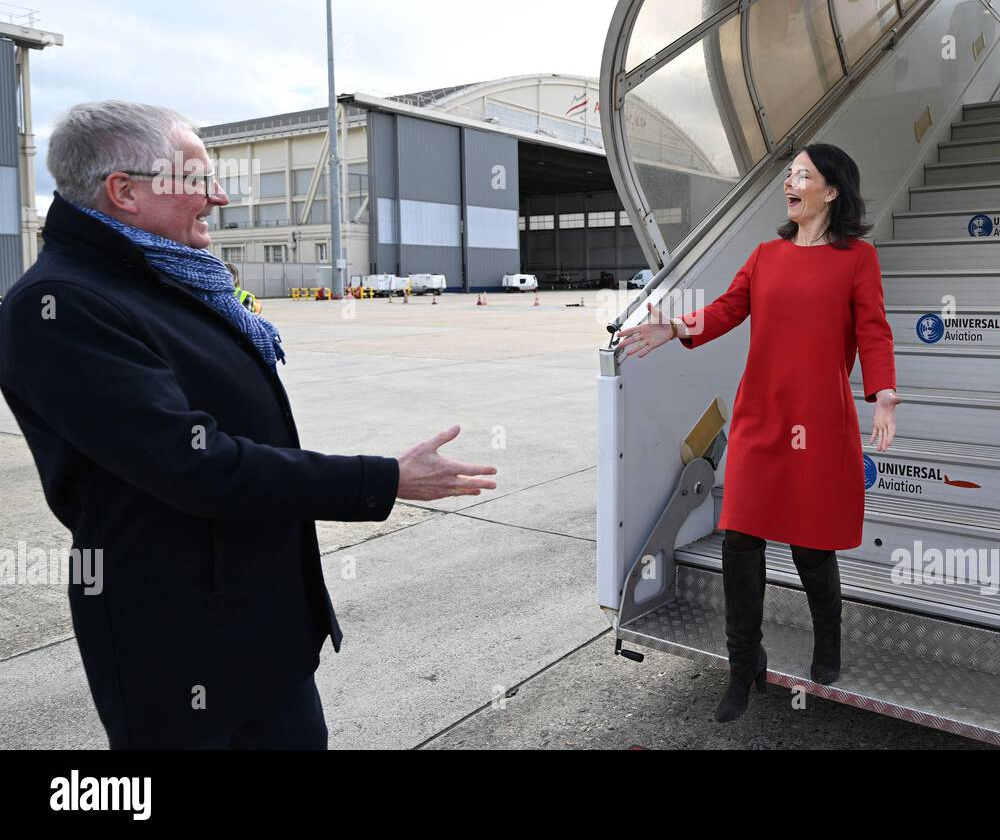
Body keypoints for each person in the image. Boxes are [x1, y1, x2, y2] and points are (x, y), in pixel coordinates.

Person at [0, 100, 497, 748]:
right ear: (124, 192)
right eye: (198, 181)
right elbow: (193, 465)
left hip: (259, 629)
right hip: (181, 650)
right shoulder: (59, 305)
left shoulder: (169, 278)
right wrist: (384, 478)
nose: (221, 197)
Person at [616, 142, 900, 722]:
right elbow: (726, 308)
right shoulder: (766, 254)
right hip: (759, 418)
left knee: (811, 545)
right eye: (789, 175)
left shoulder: (857, 258)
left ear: (832, 190)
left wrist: (884, 396)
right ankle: (745, 662)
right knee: (741, 540)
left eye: (803, 175)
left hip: (817, 422)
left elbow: (874, 330)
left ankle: (828, 639)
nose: (790, 183)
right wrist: (676, 328)